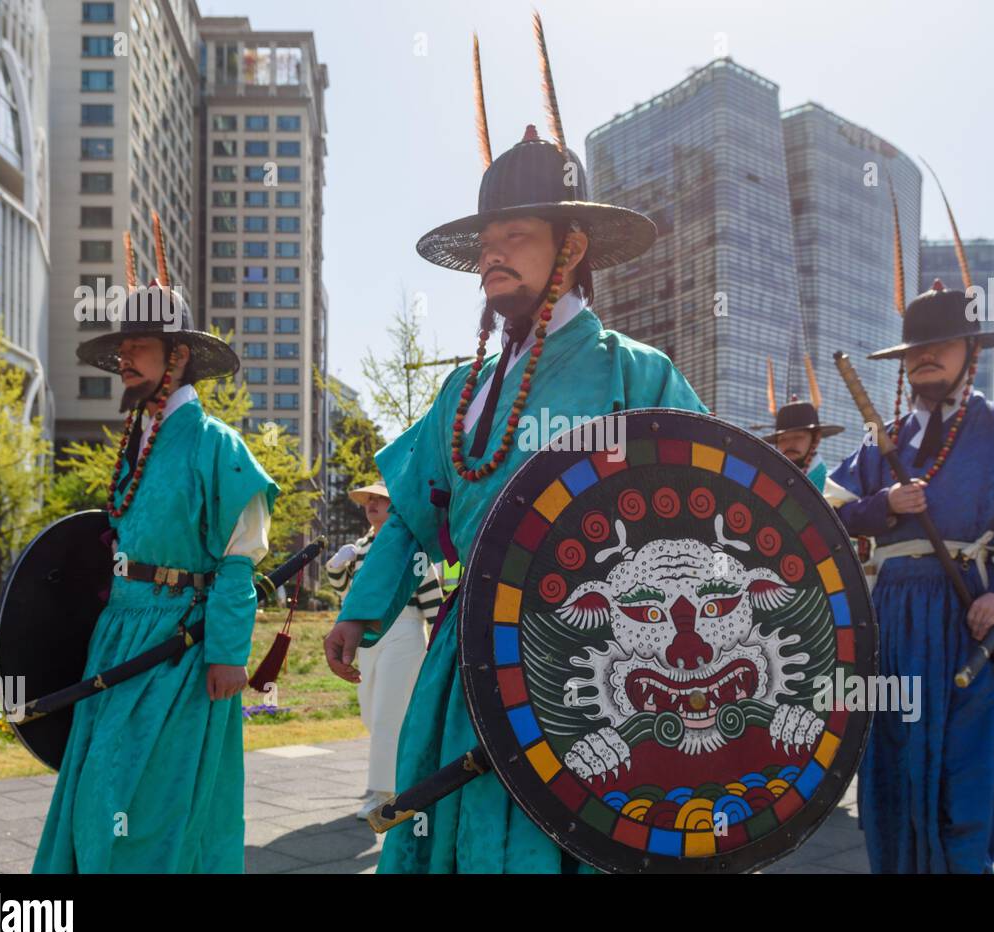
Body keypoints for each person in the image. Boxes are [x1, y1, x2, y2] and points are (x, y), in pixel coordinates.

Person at [321, 18, 706, 873]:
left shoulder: (636, 375)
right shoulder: (463, 393)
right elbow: (411, 518)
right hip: (467, 655)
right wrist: (361, 609)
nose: (491, 255)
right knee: (453, 839)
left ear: (570, 249)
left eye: (514, 237)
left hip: (598, 659)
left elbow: (717, 512)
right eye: (485, 243)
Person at [823, 177, 994, 873]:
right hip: (896, 619)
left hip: (977, 616)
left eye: (941, 344)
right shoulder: (882, 443)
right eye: (915, 349)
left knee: (967, 776)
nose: (925, 356)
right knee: (893, 771)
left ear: (971, 348)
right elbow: (831, 513)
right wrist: (884, 509)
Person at [34, 217, 277, 873]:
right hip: (118, 639)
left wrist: (228, 651)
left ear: (177, 356)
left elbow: (239, 556)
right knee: (98, 794)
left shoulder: (217, 445)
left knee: (157, 806)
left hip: (182, 649)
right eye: (123, 350)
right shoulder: (135, 445)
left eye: (138, 346)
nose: (124, 360)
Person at [325, 481, 441, 819]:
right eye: (369, 500)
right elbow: (347, 596)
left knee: (389, 713)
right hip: (368, 638)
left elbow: (432, 600)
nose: (372, 504)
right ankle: (399, 778)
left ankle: (384, 794)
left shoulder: (412, 546)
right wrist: (335, 569)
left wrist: (437, 647)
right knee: (372, 712)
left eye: (381, 499)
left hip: (405, 629)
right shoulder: (360, 548)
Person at [762, 357, 842, 491]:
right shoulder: (768, 478)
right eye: (782, 439)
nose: (789, 444)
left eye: (798, 437)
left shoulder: (830, 485)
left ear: (815, 439)